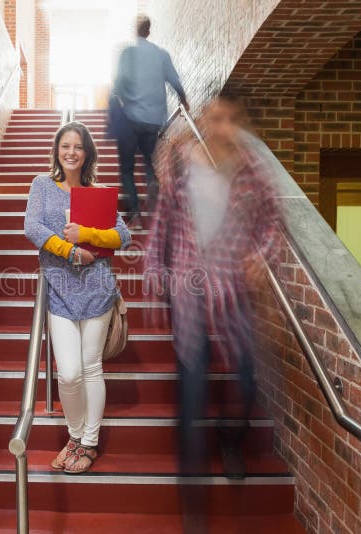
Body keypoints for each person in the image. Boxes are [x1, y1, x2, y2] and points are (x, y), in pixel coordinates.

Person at [144, 95, 283, 532]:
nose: (221, 126)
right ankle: (194, 509)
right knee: (191, 396)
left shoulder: (252, 170)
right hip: (188, 290)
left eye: (230, 120)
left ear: (239, 124)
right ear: (204, 117)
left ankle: (231, 436)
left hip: (232, 292)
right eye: (215, 117)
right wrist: (154, 267)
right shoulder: (182, 163)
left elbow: (273, 222)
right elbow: (164, 220)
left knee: (245, 381)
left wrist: (262, 255)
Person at [24, 122, 131, 474]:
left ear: (87, 154)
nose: (71, 152)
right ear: (57, 149)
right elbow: (33, 227)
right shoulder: (42, 185)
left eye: (78, 147)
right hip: (60, 290)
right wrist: (71, 250)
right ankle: (74, 435)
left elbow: (123, 235)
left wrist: (88, 234)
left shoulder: (96, 193)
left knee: (90, 368)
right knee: (68, 374)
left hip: (97, 290)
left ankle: (88, 442)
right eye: (65, 145)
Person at [112, 14, 189, 229]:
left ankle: (135, 216)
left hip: (130, 120)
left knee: (127, 167)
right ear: (149, 31)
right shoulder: (161, 55)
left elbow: (118, 83)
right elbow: (175, 81)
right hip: (153, 120)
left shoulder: (127, 53)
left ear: (136, 31)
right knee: (148, 162)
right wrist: (184, 100)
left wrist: (122, 99)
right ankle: (154, 197)